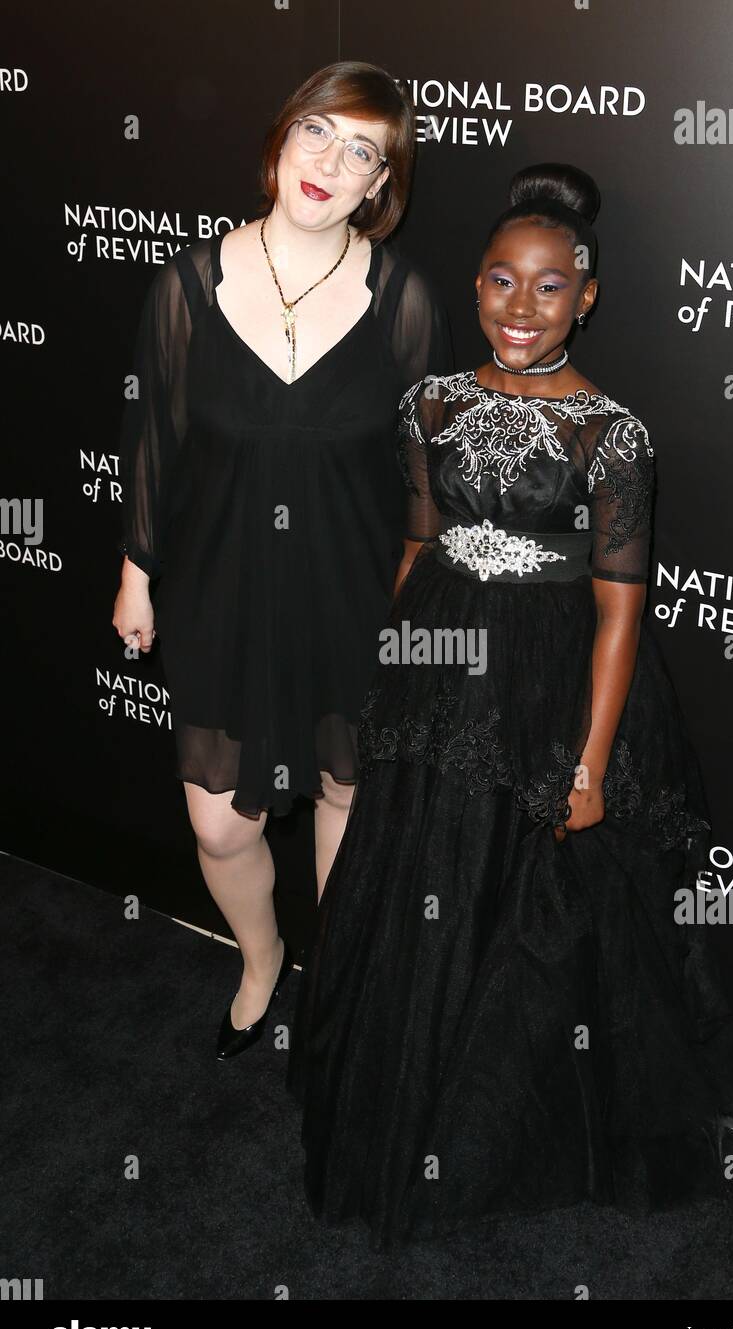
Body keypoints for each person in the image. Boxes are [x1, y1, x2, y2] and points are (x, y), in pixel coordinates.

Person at [286, 163, 733, 1249]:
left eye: (547, 287)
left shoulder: (615, 437)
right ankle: (404, 1110)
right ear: (473, 286)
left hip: (552, 687)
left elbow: (618, 616)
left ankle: (506, 1130)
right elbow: (415, 549)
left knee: (529, 914)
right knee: (422, 891)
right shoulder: (427, 403)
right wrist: (391, 670)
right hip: (436, 678)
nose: (520, 308)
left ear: (585, 297)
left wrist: (592, 764)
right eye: (501, 282)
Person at [111, 61, 452, 1059]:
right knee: (222, 827)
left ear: (379, 186)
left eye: (362, 153)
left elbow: (423, 476)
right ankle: (261, 960)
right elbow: (153, 444)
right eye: (317, 132)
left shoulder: (402, 300)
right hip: (221, 591)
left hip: (354, 598)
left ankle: (338, 979)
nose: (330, 163)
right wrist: (136, 572)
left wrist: (417, 603)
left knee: (345, 797)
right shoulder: (184, 286)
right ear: (280, 139)